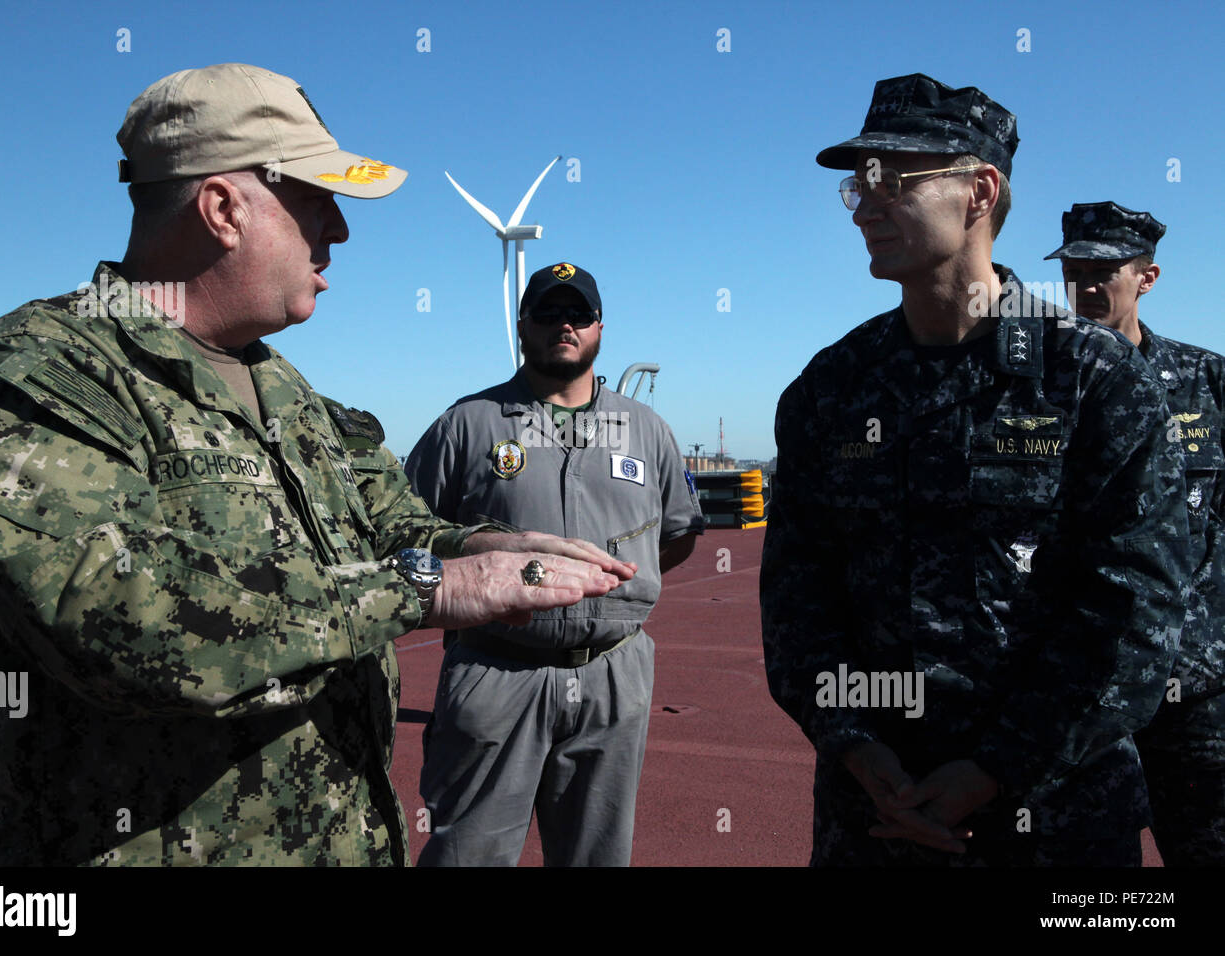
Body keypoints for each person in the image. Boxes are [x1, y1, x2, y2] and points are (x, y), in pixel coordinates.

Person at [0, 63, 633, 866]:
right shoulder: (38, 373)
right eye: (314, 199)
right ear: (223, 208)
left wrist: (483, 550)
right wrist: (429, 586)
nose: (339, 229)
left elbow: (390, 523)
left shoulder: (287, 391)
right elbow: (117, 618)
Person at [760, 73, 1191, 866]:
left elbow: (1135, 608)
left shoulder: (1092, 378)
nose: (865, 203)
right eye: (857, 186)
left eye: (893, 180)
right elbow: (798, 597)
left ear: (981, 190)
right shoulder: (831, 387)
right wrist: (857, 746)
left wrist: (993, 769)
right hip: (878, 816)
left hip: (1056, 816)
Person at [404, 262, 704, 866]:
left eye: (578, 314)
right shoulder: (466, 425)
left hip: (614, 675)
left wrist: (611, 596)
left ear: (599, 327)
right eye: (546, 313)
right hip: (495, 671)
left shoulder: (646, 429)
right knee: (468, 854)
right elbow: (407, 536)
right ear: (521, 326)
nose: (563, 325)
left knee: (598, 855)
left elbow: (676, 534)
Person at [1046, 201, 1225, 865]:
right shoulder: (1028, 387)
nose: (1087, 286)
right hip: (1072, 690)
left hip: (1194, 685)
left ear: (1146, 278)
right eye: (1075, 270)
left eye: (1105, 272)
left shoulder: (1207, 382)